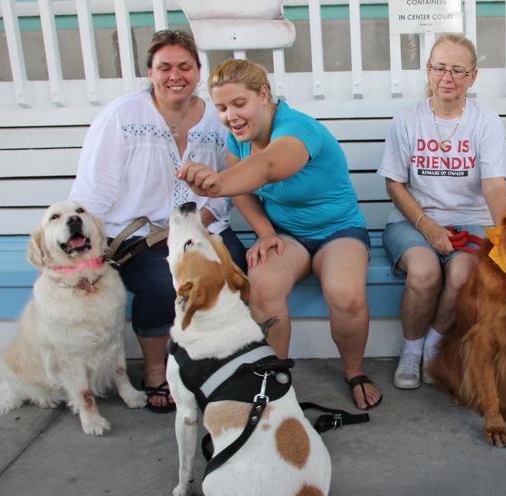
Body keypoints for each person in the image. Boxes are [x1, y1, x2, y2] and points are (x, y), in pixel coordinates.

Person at [177, 59, 382, 410]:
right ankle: (273, 382)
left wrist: (217, 183)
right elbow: (243, 190)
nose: (231, 116)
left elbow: (269, 168)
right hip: (287, 235)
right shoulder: (236, 139)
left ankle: (354, 372)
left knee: (345, 294)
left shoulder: (298, 128)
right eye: (222, 108)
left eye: (239, 104)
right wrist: (265, 232)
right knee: (263, 285)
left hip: (338, 231)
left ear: (264, 94)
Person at [69, 30, 247, 413]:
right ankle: (156, 371)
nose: (175, 75)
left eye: (185, 66)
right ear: (150, 72)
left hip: (202, 225)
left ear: (199, 72)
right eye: (164, 67)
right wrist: (84, 253)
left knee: (236, 267)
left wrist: (203, 218)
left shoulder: (216, 120)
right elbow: (93, 192)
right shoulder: (122, 116)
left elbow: (230, 184)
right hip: (138, 234)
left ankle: (216, 361)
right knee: (160, 283)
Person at [378, 33, 506, 390]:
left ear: (473, 76)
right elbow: (394, 184)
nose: (447, 77)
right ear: (428, 70)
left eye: (457, 70)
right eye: (439, 68)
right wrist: (427, 225)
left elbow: (494, 186)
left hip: (471, 220)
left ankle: (434, 347)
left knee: (462, 275)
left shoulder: (486, 120)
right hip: (412, 219)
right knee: (424, 274)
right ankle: (411, 350)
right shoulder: (407, 119)